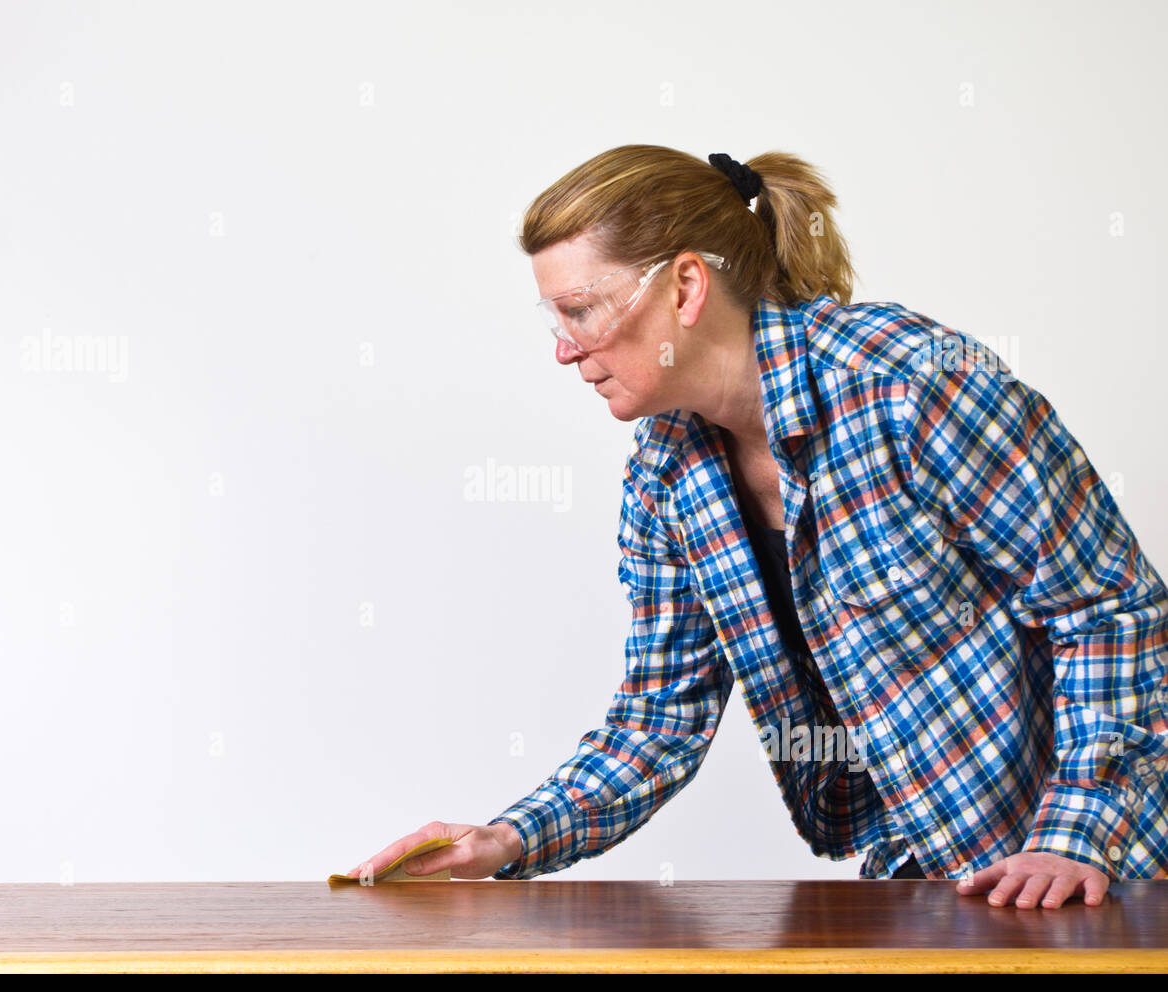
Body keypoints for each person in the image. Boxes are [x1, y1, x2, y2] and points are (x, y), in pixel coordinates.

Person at [347, 145, 1168, 907]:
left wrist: (1076, 837)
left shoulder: (912, 385)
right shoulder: (667, 475)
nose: (565, 350)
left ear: (686, 287)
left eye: (581, 310)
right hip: (935, 891)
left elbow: (1108, 611)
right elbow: (660, 719)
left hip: (1112, 876)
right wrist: (506, 838)